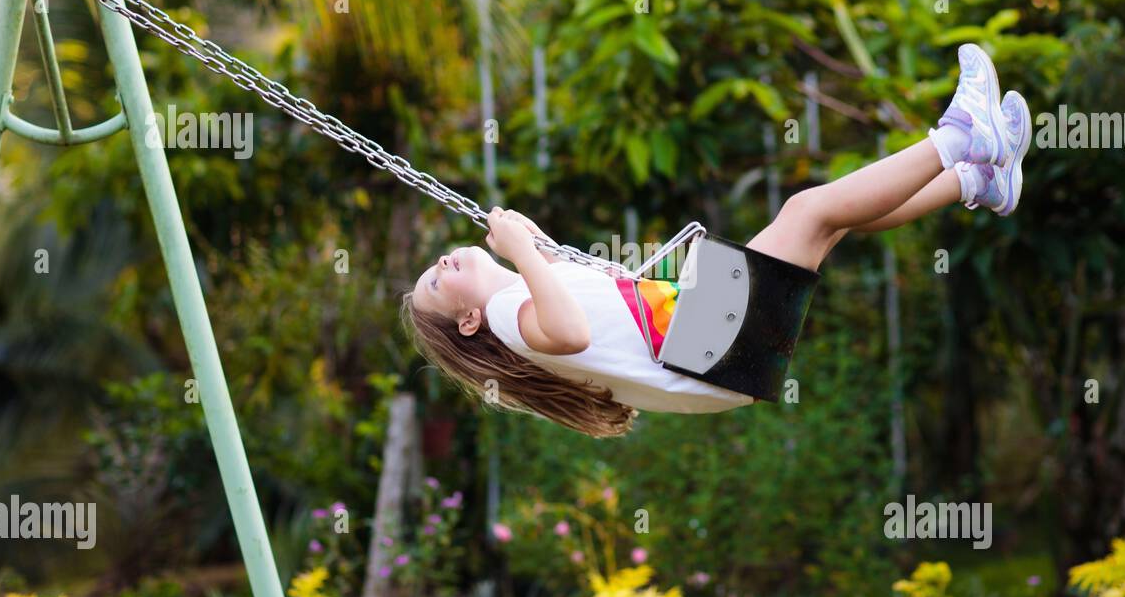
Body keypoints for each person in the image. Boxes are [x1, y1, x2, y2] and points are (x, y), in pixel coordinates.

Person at [403, 44, 1031, 437]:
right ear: (467, 321)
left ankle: (977, 179)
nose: (439, 262)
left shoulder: (522, 300)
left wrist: (530, 248)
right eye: (437, 281)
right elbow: (571, 330)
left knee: (830, 221)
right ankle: (962, 136)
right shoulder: (513, 317)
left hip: (711, 354)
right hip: (705, 346)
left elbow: (575, 303)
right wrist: (520, 253)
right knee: (808, 210)